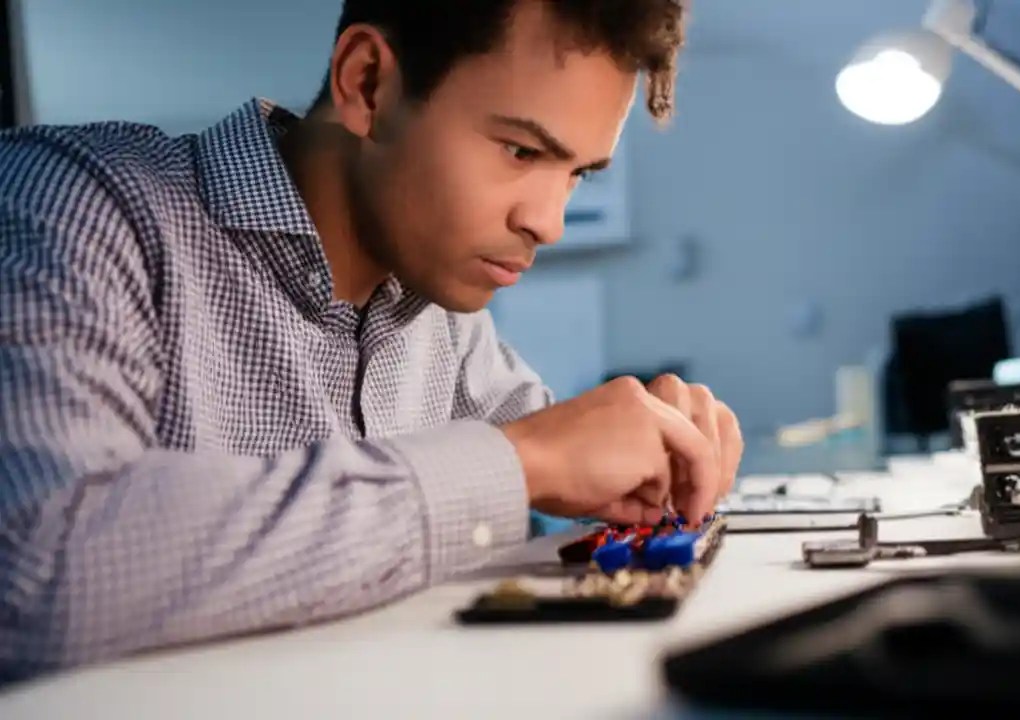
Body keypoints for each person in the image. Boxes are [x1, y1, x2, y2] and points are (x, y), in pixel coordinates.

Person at [0, 0, 742, 683]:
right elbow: (34, 569)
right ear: (367, 83)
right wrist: (527, 459)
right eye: (520, 151)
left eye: (577, 172)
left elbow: (566, 474)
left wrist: (650, 453)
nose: (547, 222)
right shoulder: (69, 201)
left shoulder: (444, 307)